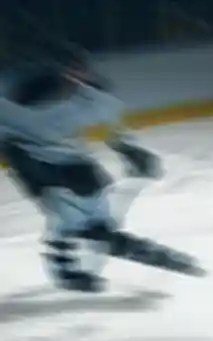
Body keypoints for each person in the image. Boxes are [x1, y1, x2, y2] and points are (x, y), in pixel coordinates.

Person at [0, 45, 202, 292]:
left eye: (80, 71)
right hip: (34, 163)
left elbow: (110, 118)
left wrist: (127, 147)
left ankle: (75, 259)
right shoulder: (27, 95)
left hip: (68, 161)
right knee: (74, 217)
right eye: (73, 71)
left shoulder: (91, 98)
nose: (78, 76)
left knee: (86, 212)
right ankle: (68, 266)